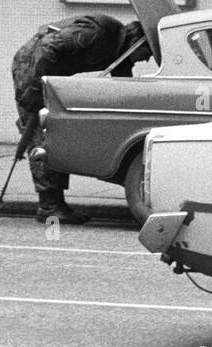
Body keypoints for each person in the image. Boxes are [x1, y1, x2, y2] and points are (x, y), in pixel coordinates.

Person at [11, 15, 152, 224]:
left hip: (52, 73)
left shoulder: (120, 50)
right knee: (41, 133)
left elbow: (123, 82)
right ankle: (49, 205)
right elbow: (48, 46)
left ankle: (56, 203)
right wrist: (34, 88)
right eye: (147, 52)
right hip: (33, 67)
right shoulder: (98, 32)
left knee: (57, 131)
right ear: (137, 42)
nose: (146, 59)